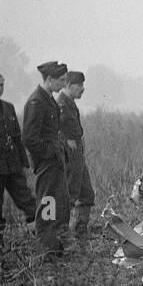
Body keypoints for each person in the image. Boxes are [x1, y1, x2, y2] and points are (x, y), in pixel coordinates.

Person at [22, 60, 70, 259]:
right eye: (61, 80)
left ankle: (55, 245)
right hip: (47, 163)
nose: (63, 85)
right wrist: (48, 154)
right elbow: (29, 137)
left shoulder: (48, 99)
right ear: (49, 79)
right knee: (48, 204)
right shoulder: (36, 101)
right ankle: (47, 248)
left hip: (55, 162)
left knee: (58, 203)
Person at [58, 70, 96, 242]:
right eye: (79, 85)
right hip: (70, 156)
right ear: (68, 85)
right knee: (70, 195)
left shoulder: (69, 103)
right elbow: (53, 129)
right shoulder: (60, 104)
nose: (82, 89)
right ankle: (62, 234)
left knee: (86, 194)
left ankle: (80, 232)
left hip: (77, 155)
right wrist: (66, 141)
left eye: (82, 85)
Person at [0, 70, 38, 233]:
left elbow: (17, 137)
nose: (0, 88)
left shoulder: (8, 107)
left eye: (2, 85)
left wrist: (24, 162)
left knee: (27, 199)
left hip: (13, 164)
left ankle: (40, 232)